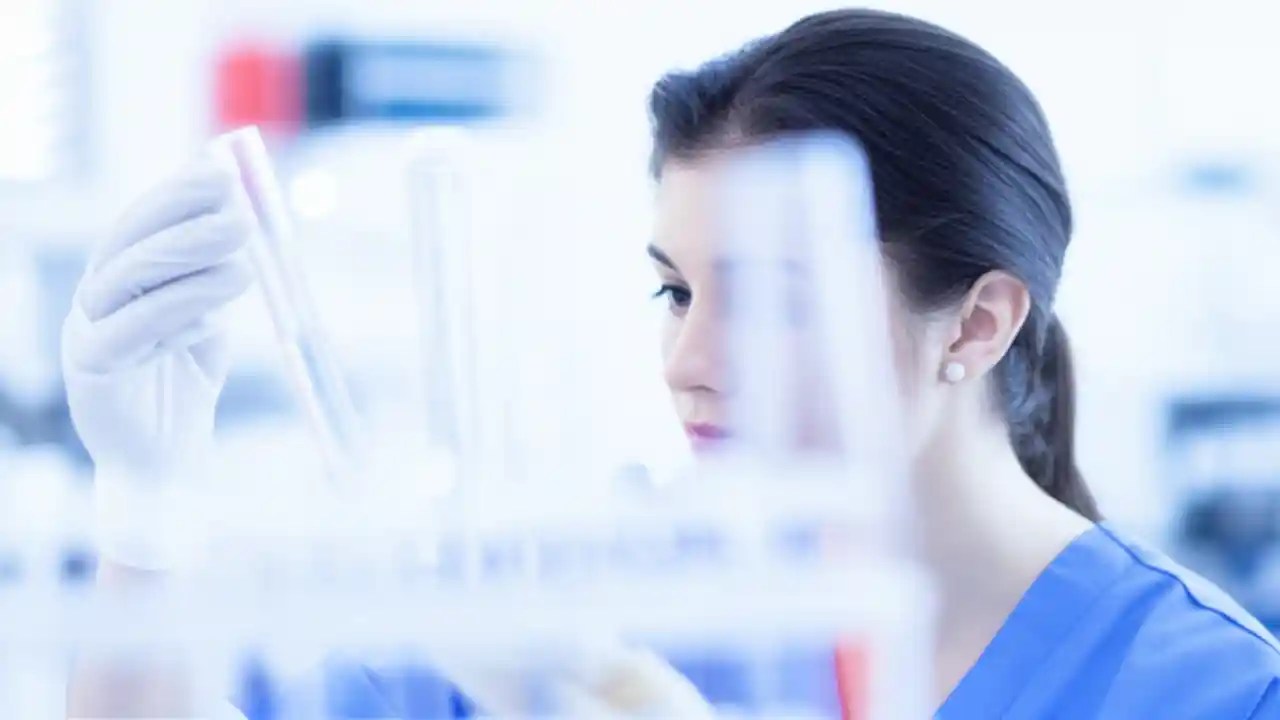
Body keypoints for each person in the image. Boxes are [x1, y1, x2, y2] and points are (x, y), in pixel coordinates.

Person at [64, 8, 1280, 719]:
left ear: (974, 324)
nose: (687, 363)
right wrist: (145, 519)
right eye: (675, 289)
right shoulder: (594, 604)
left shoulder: (1205, 689)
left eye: (769, 296)